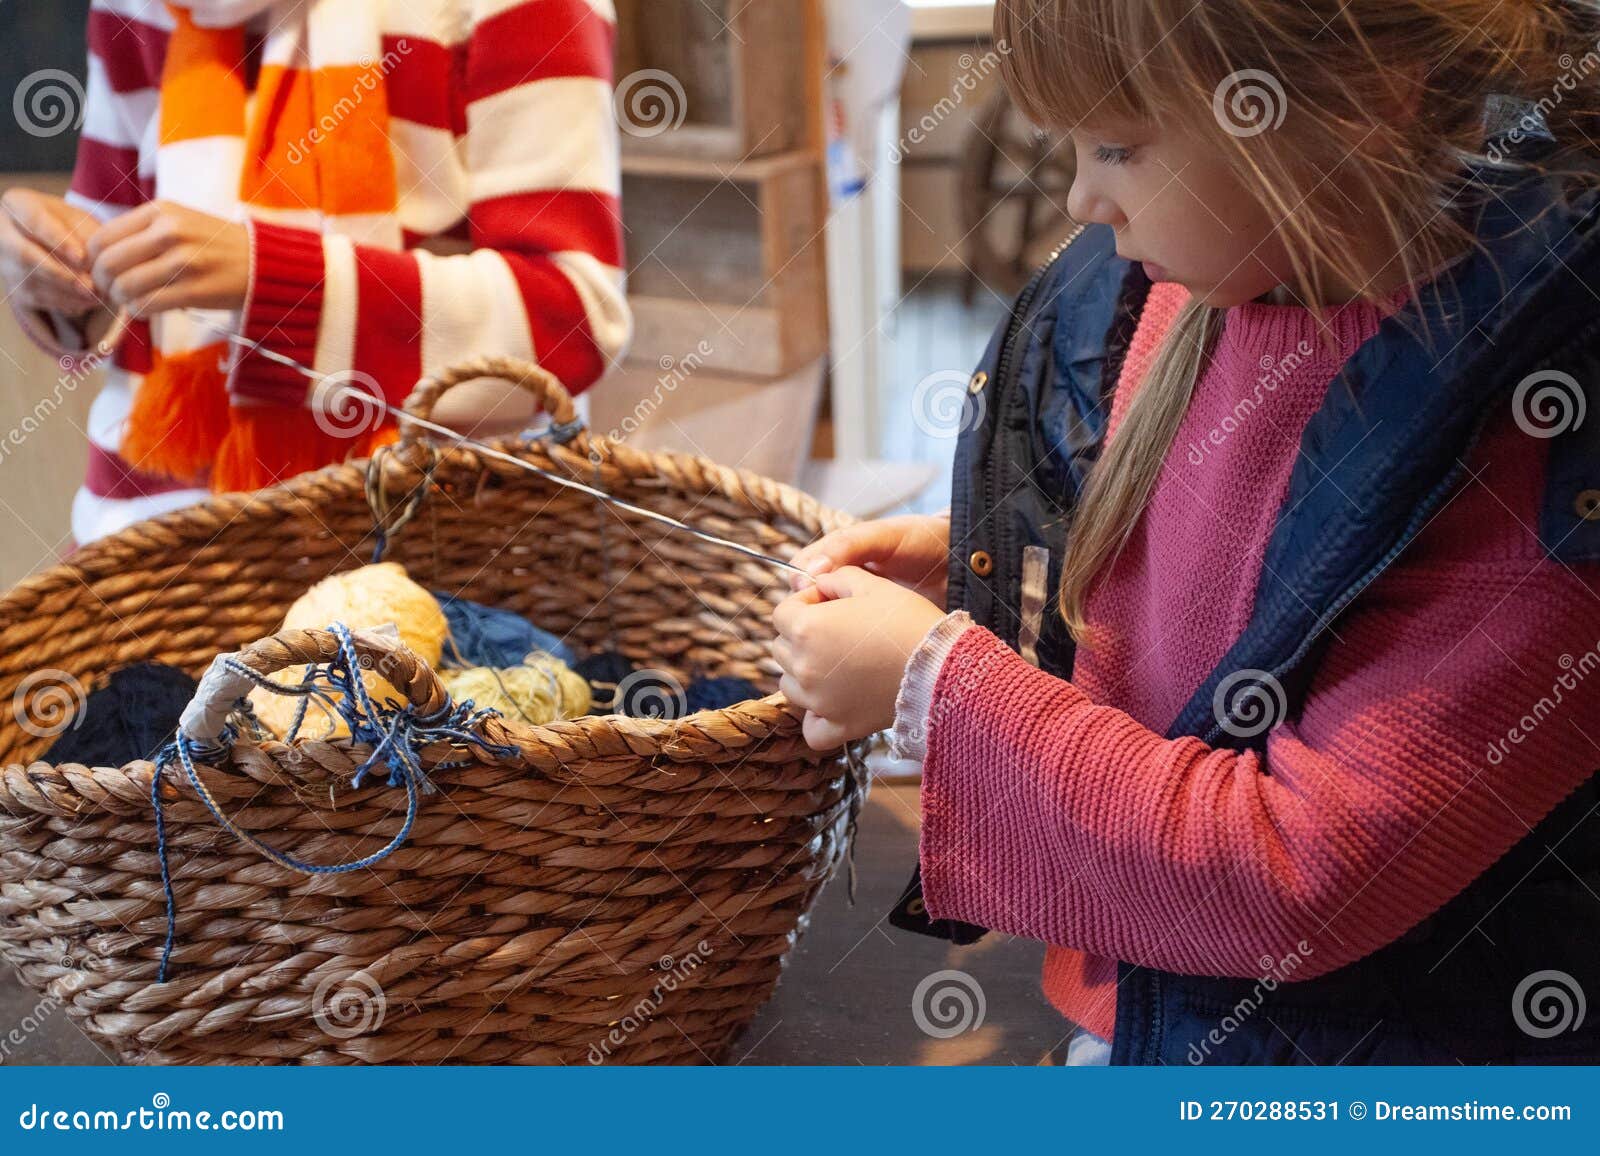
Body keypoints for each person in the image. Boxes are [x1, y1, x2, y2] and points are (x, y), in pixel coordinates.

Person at [772, 0, 1600, 1064]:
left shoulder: (1537, 444)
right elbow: (1219, 572)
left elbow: (1290, 872)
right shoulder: (1198, 285)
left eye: (1117, 145)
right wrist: (976, 569)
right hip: (1155, 1007)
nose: (1080, 196)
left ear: (1356, 102)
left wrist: (932, 684)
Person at [0, 0, 629, 544]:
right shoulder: (133, 8)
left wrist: (271, 279)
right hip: (149, 559)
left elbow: (570, 320)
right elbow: (125, 318)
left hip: (439, 559)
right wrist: (56, 276)